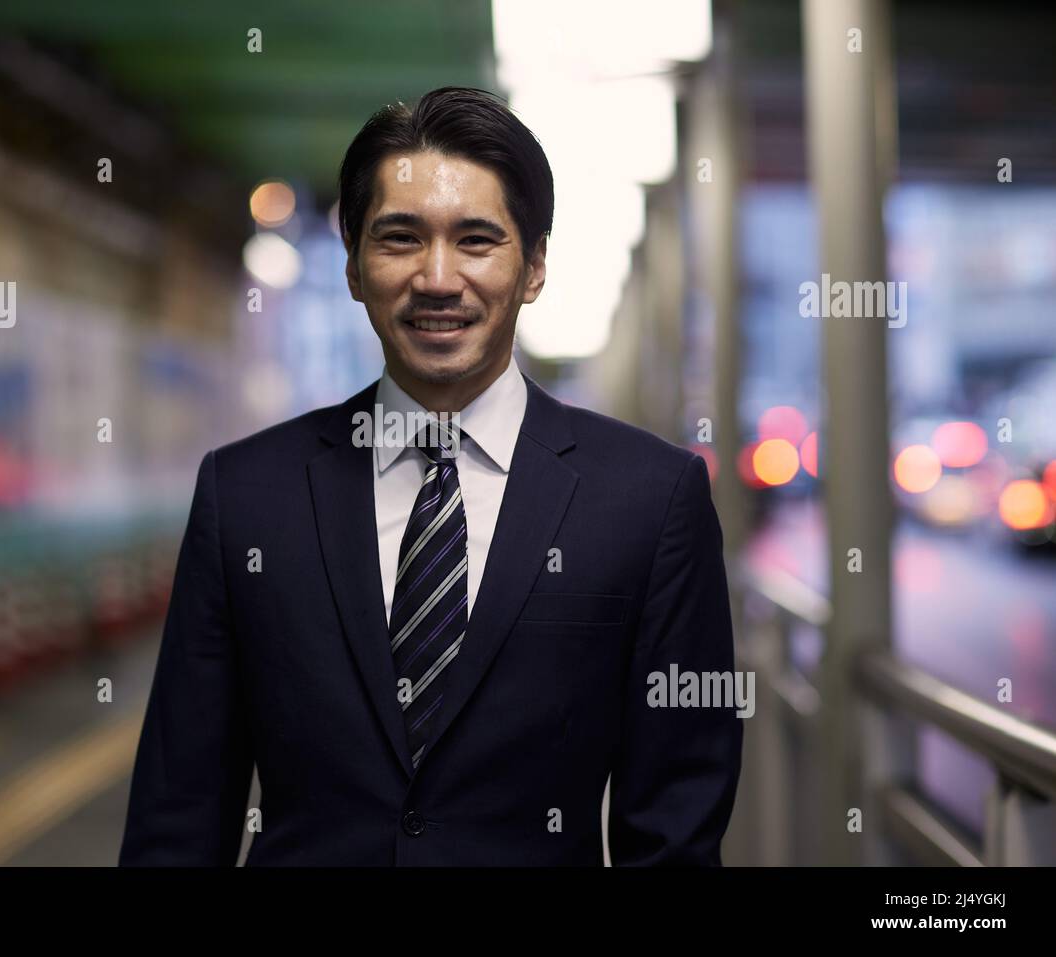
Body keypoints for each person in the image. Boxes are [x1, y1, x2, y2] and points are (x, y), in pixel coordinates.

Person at [119, 86, 741, 866]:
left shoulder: (650, 500)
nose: (438, 278)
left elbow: (675, 835)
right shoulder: (245, 496)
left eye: (477, 240)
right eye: (400, 238)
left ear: (535, 265)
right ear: (352, 264)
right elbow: (177, 818)